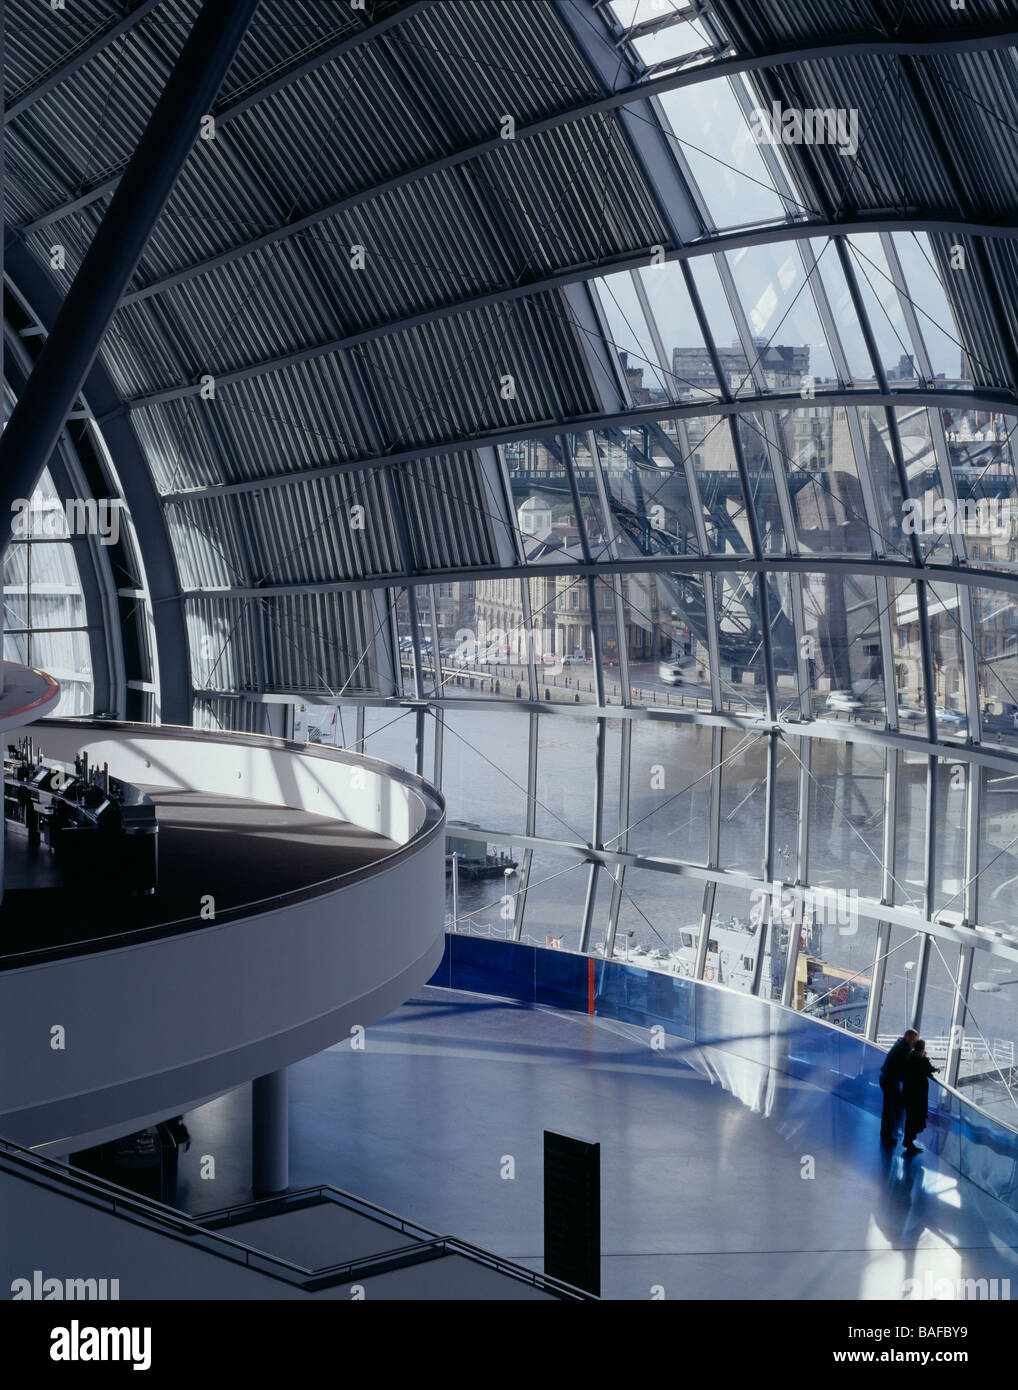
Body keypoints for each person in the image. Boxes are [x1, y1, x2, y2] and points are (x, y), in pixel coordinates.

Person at [879, 1028, 918, 1143]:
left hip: (886, 1079)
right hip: (890, 1081)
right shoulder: (903, 1049)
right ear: (909, 1038)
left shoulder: (900, 1045)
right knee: (890, 1110)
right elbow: (902, 1069)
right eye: (915, 1040)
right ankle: (887, 1136)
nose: (915, 1043)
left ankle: (887, 1133)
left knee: (889, 1109)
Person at [902, 1039, 939, 1154]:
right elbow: (929, 1069)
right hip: (918, 1096)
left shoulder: (909, 1057)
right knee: (917, 1117)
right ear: (922, 1048)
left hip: (908, 1093)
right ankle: (909, 1141)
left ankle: (908, 1140)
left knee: (910, 1118)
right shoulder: (923, 1060)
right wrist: (935, 1068)